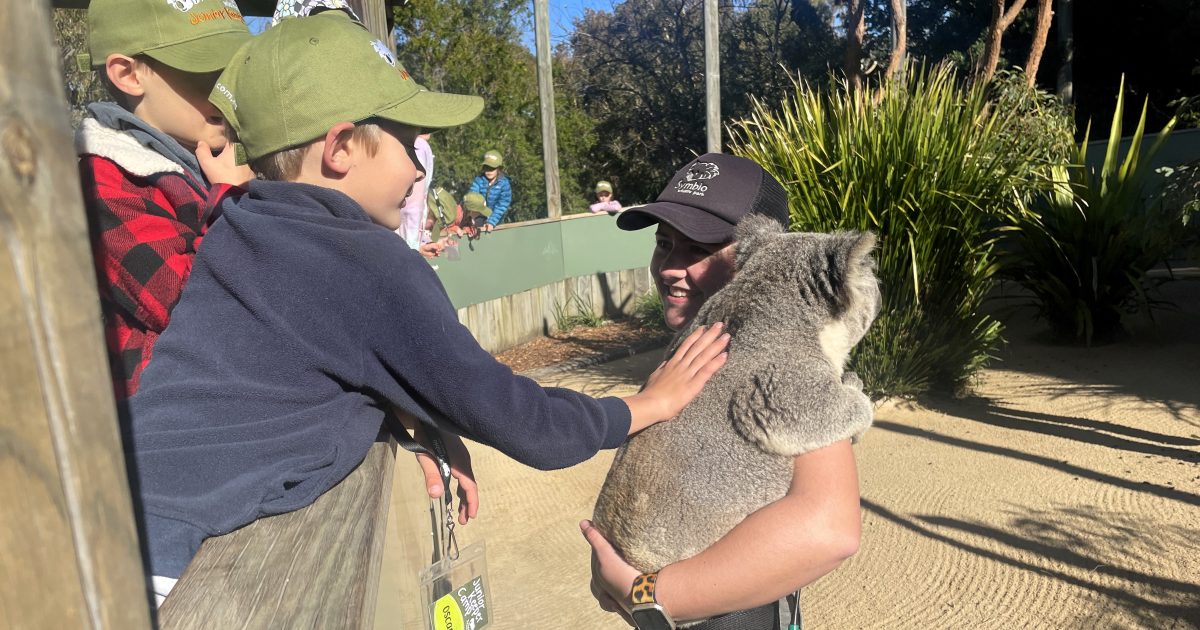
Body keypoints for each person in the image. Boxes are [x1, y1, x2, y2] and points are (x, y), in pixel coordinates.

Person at [124, 12, 730, 605]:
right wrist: (644, 405)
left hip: (128, 518)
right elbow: (521, 420)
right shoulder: (365, 259)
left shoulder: (240, 226)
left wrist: (429, 418)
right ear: (339, 147)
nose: (419, 168)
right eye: (408, 142)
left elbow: (295, 359)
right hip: (185, 567)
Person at [582, 153, 862, 629]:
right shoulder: (697, 347)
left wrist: (644, 595)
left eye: (698, 250)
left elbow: (831, 530)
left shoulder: (786, 360)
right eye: (665, 244)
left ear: (764, 254)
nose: (670, 267)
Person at [76, 0, 252, 402]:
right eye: (207, 72)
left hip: (226, 388)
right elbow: (194, 306)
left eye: (237, 70)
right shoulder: (108, 182)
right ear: (128, 74)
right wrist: (234, 201)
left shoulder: (205, 156)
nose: (228, 90)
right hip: (166, 413)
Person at [396, 132, 434, 252]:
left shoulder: (402, 140)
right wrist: (413, 249)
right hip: (404, 238)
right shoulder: (419, 146)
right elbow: (412, 206)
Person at [468, 149, 512, 231]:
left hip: (497, 218)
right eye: (486, 168)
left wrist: (492, 221)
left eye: (492, 168)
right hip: (480, 214)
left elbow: (502, 205)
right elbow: (472, 195)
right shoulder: (479, 180)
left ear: (499, 168)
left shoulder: (504, 184)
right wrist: (473, 212)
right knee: (473, 228)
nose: (489, 171)